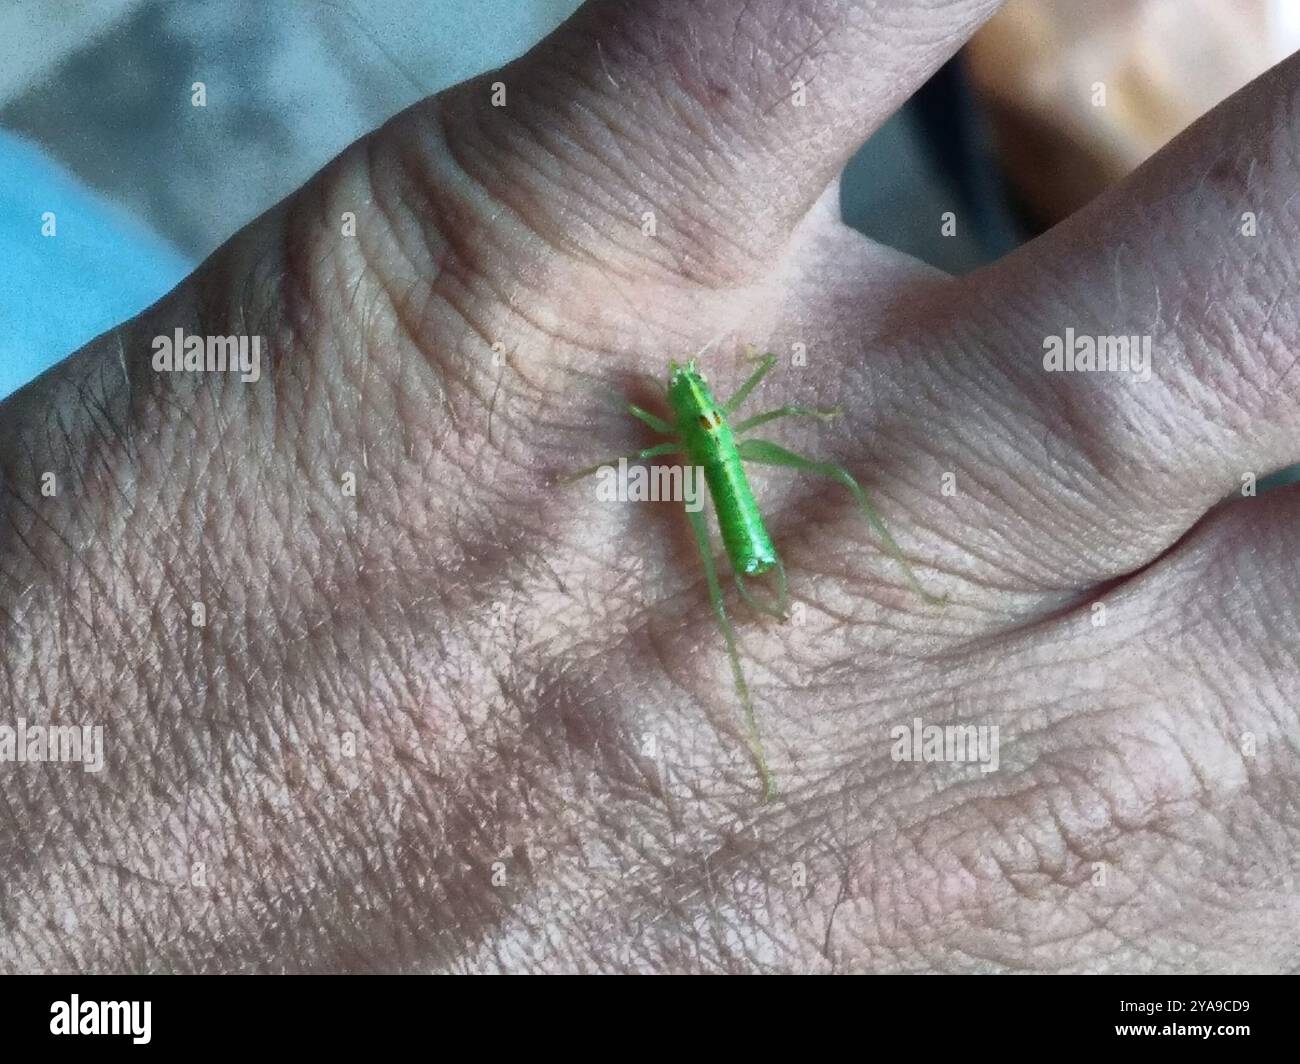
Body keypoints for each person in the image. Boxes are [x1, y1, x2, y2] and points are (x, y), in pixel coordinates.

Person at [1, 0, 1296, 973]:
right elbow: (672, 450)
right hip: (721, 528)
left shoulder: (701, 432)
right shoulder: (684, 431)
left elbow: (721, 441)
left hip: (733, 527)